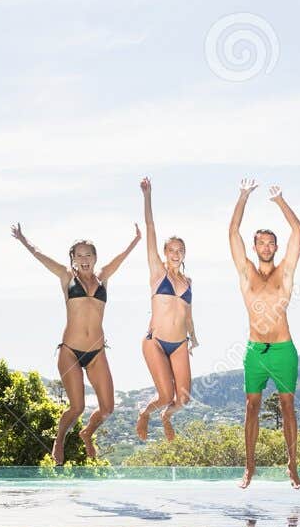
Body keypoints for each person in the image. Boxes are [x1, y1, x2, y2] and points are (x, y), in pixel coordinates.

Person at [12, 218, 139, 465]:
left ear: (95, 257)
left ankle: (86, 433)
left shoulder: (103, 278)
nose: (84, 259)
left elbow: (121, 258)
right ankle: (59, 439)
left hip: (97, 352)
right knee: (77, 407)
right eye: (79, 255)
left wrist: (135, 240)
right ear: (73, 258)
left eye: (88, 254)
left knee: (107, 409)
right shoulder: (66, 277)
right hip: (70, 351)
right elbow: (40, 255)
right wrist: (24, 240)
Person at [228, 178, 300, 489]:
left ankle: (292, 465)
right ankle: (249, 468)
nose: (267, 247)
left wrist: (280, 201)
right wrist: (243, 196)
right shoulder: (246, 272)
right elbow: (232, 233)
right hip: (255, 351)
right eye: (261, 242)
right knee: (251, 407)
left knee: (288, 406)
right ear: (255, 246)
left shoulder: (285, 272)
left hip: (284, 349)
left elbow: (297, 231)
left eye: (271, 243)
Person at [136, 176, 197, 445]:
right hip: (157, 341)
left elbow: (188, 313)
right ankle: (146, 412)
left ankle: (166, 417)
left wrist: (193, 336)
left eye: (180, 250)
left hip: (180, 343)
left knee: (182, 398)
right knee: (163, 396)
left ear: (184, 254)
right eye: (172, 249)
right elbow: (150, 227)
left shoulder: (188, 282)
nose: (176, 253)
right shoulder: (157, 272)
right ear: (164, 251)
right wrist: (147, 196)